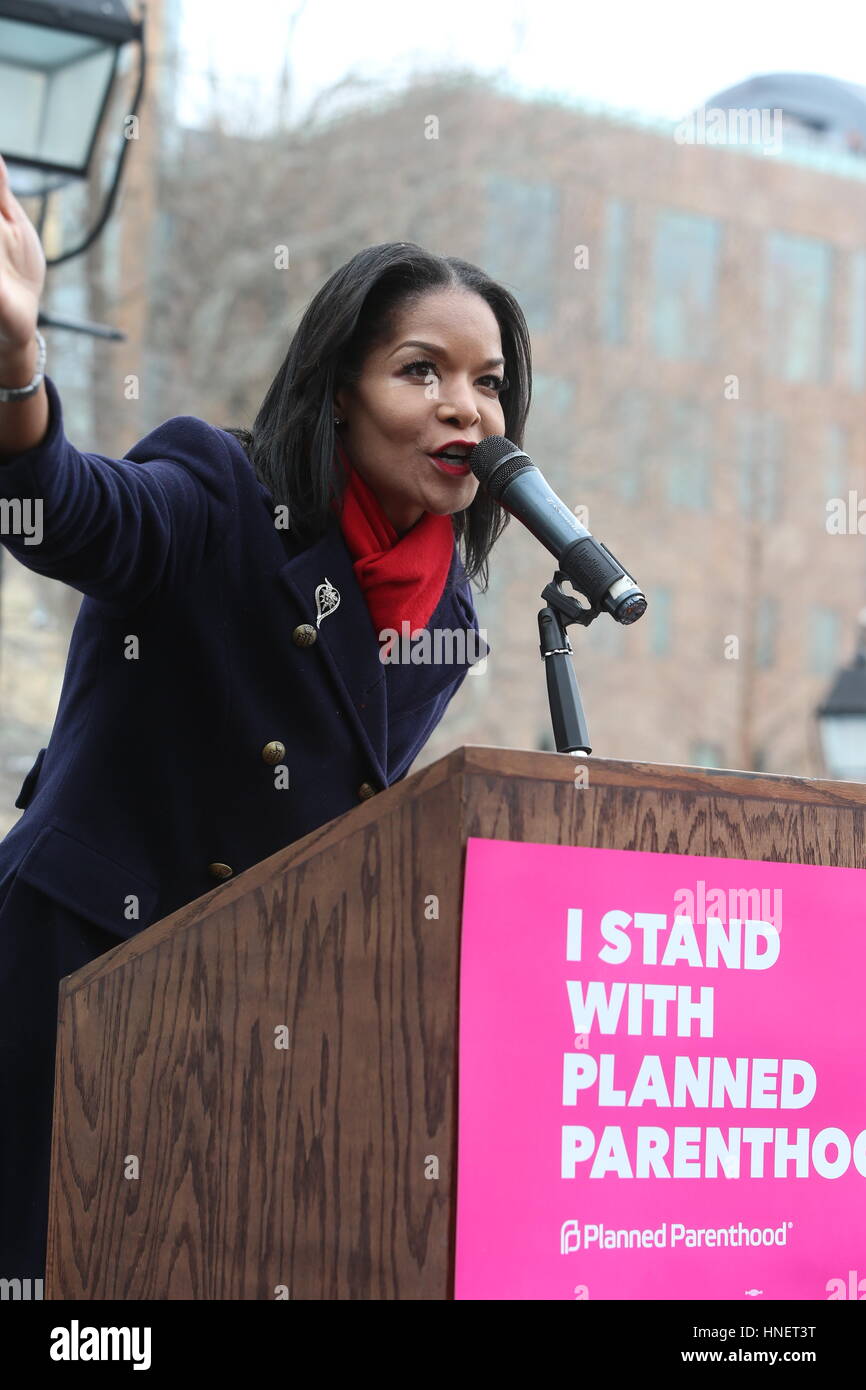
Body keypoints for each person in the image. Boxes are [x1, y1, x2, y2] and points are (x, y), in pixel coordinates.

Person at [0, 150, 532, 1281]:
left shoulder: (449, 614)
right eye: (420, 370)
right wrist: (14, 371)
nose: (462, 407)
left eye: (488, 384)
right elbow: (59, 514)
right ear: (340, 389)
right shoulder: (218, 492)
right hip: (78, 976)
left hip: (237, 1020)